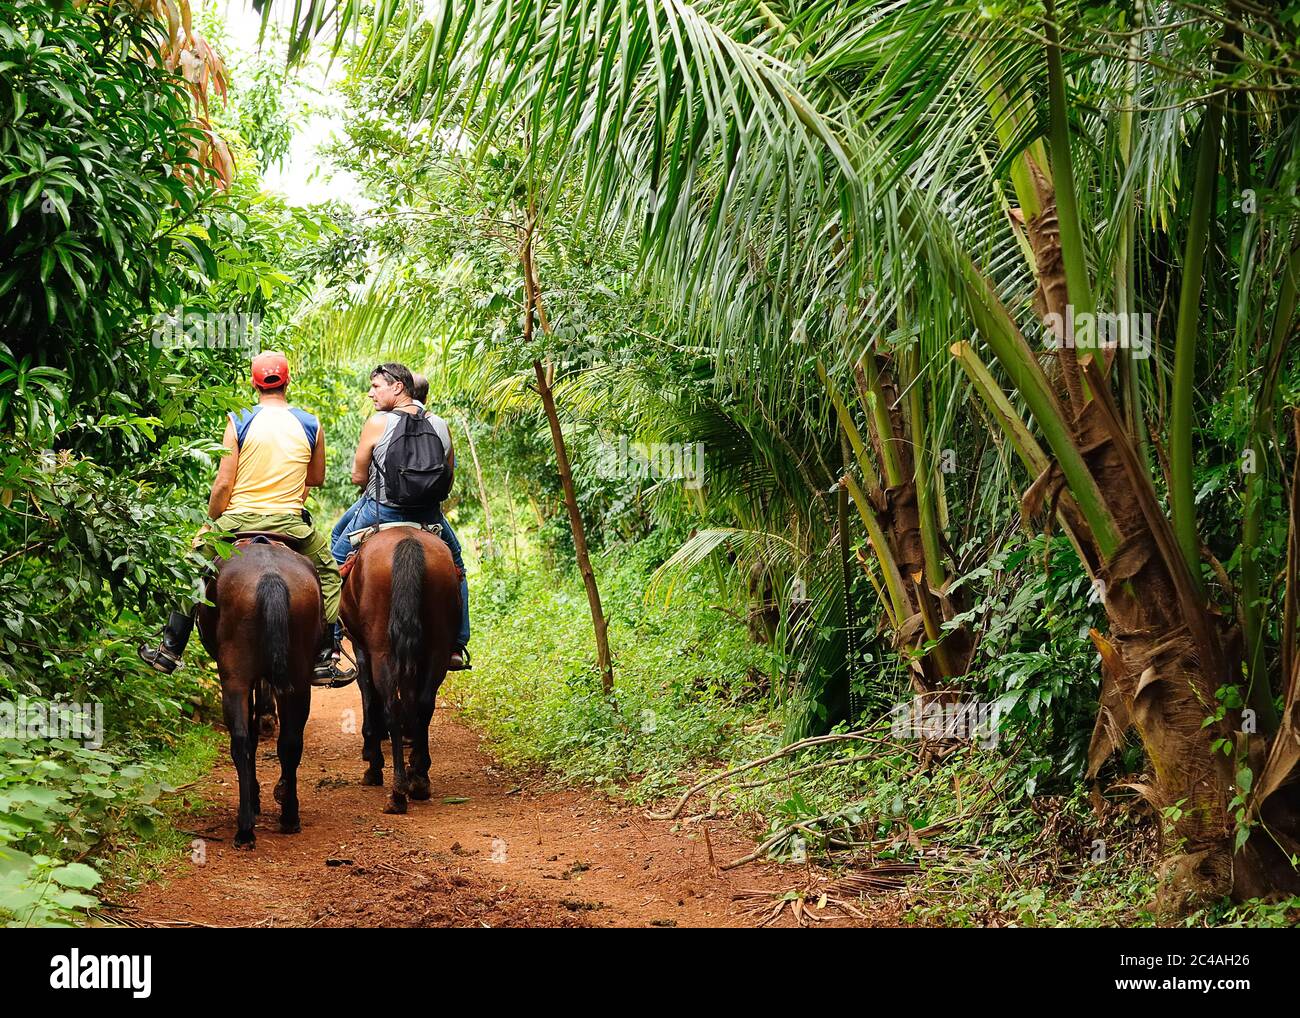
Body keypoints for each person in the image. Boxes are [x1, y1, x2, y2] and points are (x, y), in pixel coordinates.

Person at [139, 352, 355, 687]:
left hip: (238, 521)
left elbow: (224, 483)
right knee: (328, 574)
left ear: (254, 383)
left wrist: (211, 522)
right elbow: (315, 477)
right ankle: (326, 654)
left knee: (192, 568)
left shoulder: (239, 419)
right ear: (287, 381)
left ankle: (170, 648)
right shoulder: (311, 423)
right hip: (290, 522)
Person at [330, 363, 471, 669]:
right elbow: (447, 478)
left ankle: (330, 640)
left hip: (379, 511)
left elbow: (357, 476)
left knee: (331, 561)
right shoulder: (441, 425)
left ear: (398, 387)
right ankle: (458, 644)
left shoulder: (377, 423)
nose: (371, 393)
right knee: (457, 565)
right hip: (428, 515)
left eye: (376, 386)